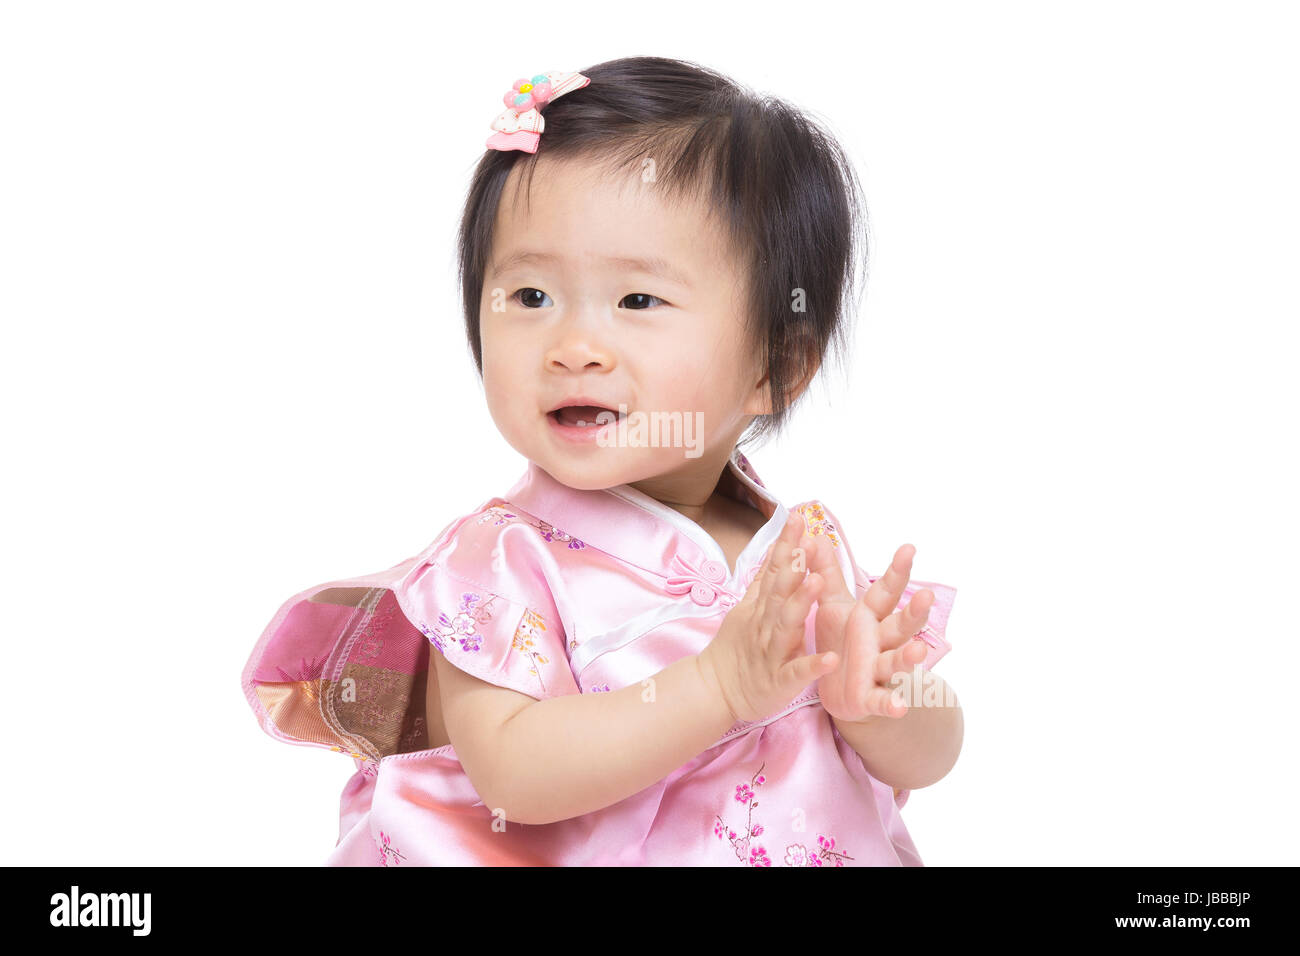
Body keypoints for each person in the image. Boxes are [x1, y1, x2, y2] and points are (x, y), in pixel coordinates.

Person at [240, 56, 962, 866]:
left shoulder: (805, 552)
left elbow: (930, 759)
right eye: (531, 297)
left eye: (636, 301)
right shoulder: (498, 565)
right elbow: (513, 771)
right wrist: (715, 688)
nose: (573, 348)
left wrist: (878, 700)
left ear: (775, 367)